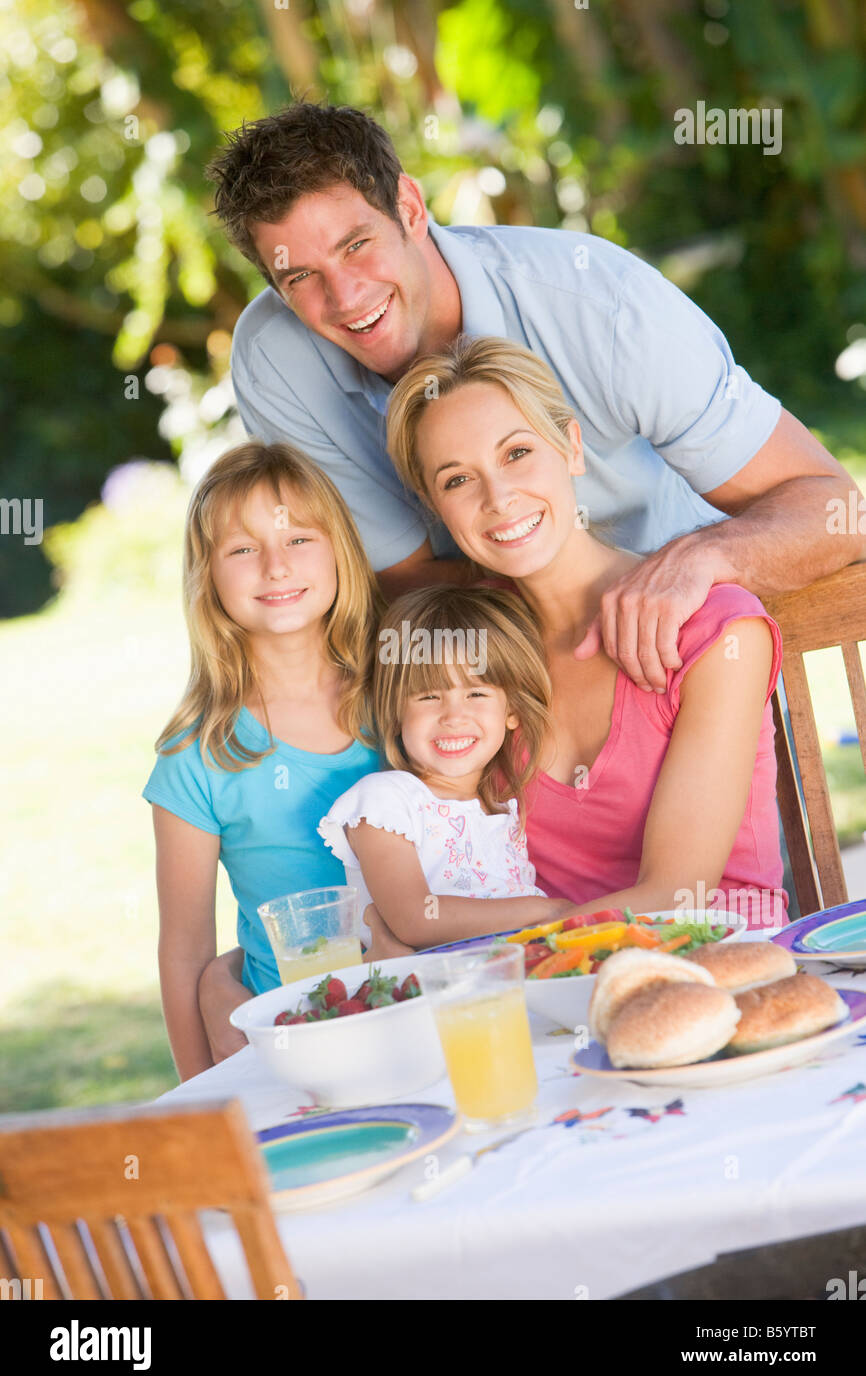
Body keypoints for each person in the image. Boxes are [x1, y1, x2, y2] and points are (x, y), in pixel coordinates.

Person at [207, 102, 865, 692]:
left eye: (357, 245)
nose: (346, 298)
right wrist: (586, 607)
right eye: (300, 277)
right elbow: (400, 583)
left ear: (410, 208)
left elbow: (835, 509)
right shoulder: (277, 360)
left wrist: (704, 560)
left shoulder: (602, 305)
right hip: (493, 685)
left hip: (685, 652)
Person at [366, 334, 790, 958]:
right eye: (458, 479)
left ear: (571, 447)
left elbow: (676, 895)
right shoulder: (466, 656)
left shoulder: (714, 629)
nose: (498, 498)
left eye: (517, 452)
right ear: (434, 505)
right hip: (548, 990)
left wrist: (499, 956)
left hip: (713, 966)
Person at [143, 441, 382, 1080]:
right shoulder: (196, 755)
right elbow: (186, 951)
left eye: (298, 539)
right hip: (283, 1049)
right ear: (208, 576)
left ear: (340, 551)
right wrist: (201, 1105)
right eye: (243, 550)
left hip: (418, 1013)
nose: (275, 567)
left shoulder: (406, 697)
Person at [318, 586, 578, 946]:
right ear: (396, 714)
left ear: (513, 711)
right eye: (429, 696)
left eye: (476, 693)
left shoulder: (502, 809)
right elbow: (415, 918)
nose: (454, 717)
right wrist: (545, 911)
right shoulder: (385, 800)